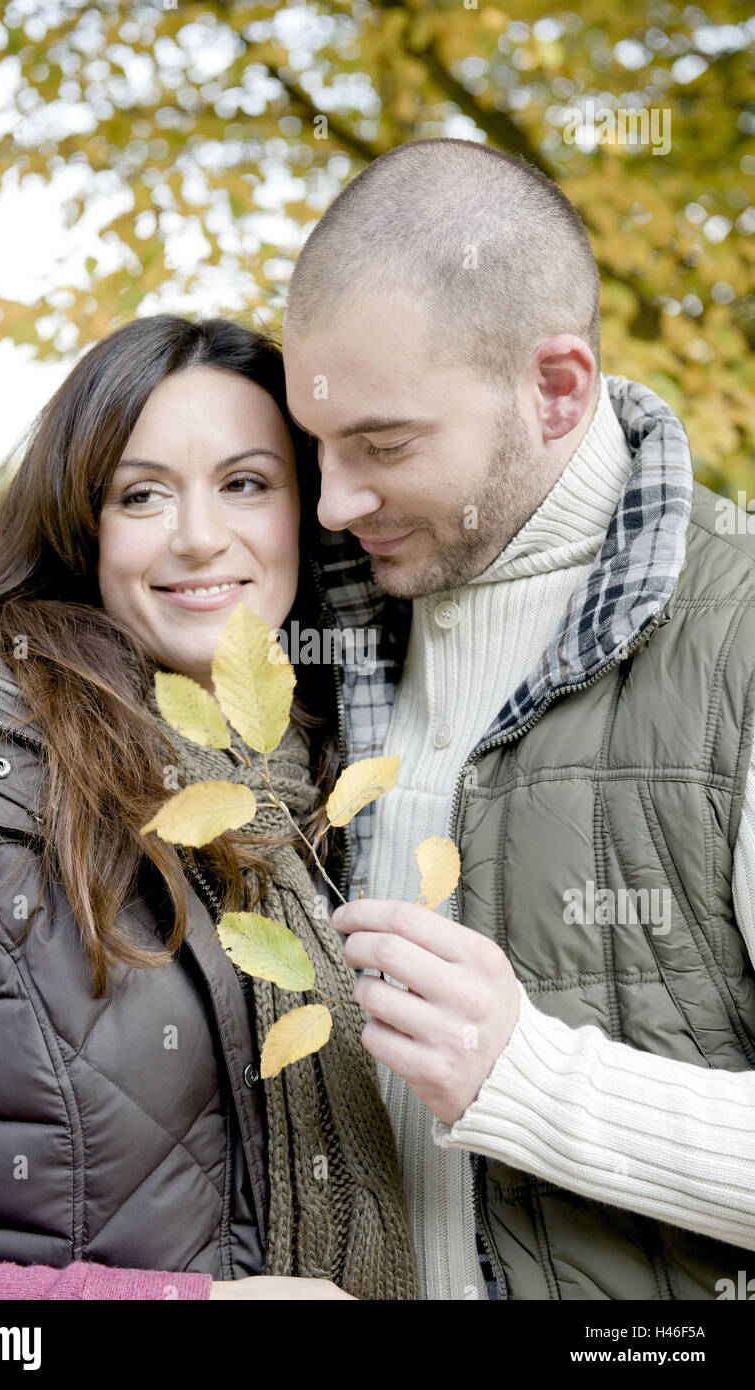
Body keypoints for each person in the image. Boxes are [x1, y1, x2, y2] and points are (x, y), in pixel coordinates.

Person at [281, 137, 755, 1300]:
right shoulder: (304, 645)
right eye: (315, 444)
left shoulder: (735, 643)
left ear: (555, 389)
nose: (334, 502)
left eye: (384, 444)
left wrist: (530, 1079)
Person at [0, 314, 418, 1301]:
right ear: (79, 523)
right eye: (141, 494)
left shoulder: (339, 792)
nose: (199, 536)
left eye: (245, 483)